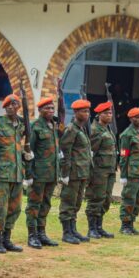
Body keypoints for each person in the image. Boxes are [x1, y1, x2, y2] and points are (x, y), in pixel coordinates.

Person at [0, 94, 27, 254]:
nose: (10, 106)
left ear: (18, 106)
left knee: (14, 208)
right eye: (7, 105)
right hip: (1, 174)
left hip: (17, 173)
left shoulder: (21, 125)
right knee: (0, 208)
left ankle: (6, 239)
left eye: (14, 104)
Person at [25, 97, 61, 248]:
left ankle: (41, 233)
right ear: (40, 111)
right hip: (39, 173)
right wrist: (29, 174)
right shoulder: (35, 127)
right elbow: (29, 151)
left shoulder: (53, 125)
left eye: (52, 108)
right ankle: (32, 235)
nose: (51, 111)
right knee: (34, 204)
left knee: (46, 203)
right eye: (47, 108)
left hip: (51, 173)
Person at [58, 99, 93, 244]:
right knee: (68, 202)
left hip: (82, 172)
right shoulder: (71, 129)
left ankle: (73, 229)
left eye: (88, 111)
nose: (87, 114)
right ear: (76, 112)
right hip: (72, 173)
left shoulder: (82, 128)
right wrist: (64, 173)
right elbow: (65, 152)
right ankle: (66, 232)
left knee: (77, 202)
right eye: (84, 111)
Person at [85, 101, 118, 239]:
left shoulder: (108, 129)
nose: (109, 115)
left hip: (109, 169)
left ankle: (99, 226)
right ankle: (92, 228)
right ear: (99, 115)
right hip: (99, 170)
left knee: (106, 199)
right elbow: (91, 152)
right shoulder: (95, 130)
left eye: (110, 113)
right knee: (96, 198)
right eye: (106, 113)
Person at [118, 107, 139, 235]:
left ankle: (131, 223)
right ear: (131, 119)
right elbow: (124, 156)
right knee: (129, 198)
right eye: (137, 117)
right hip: (132, 173)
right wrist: (123, 175)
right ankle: (125, 225)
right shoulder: (127, 135)